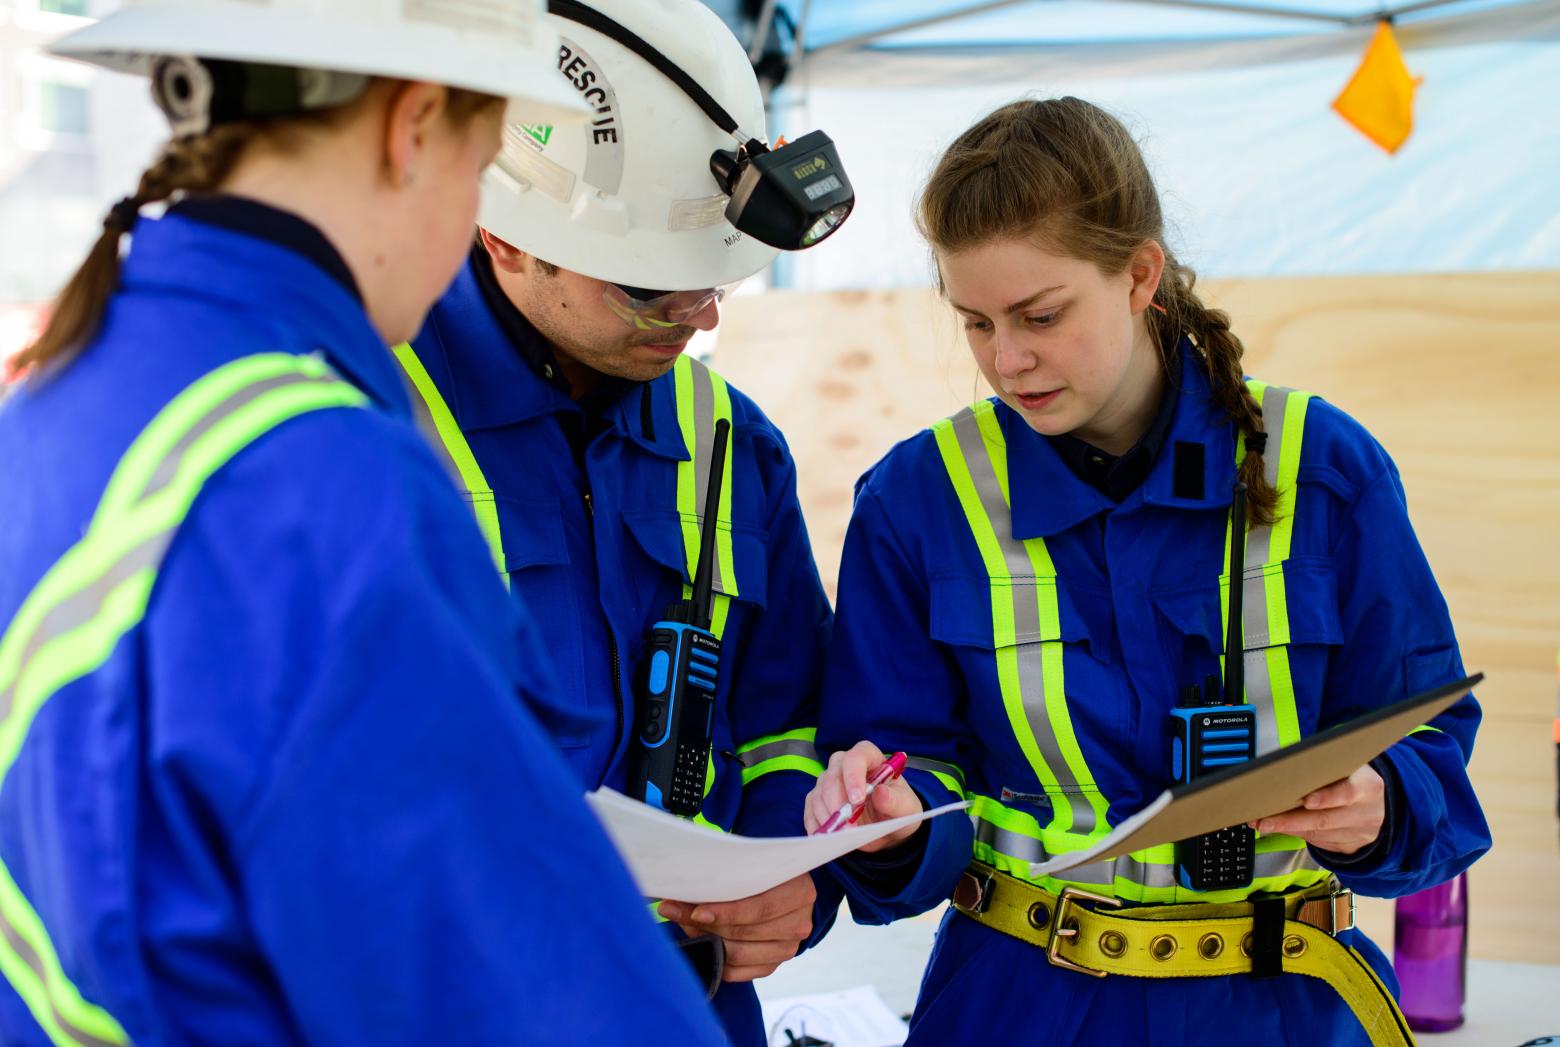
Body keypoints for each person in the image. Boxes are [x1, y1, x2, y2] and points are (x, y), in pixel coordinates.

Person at [0, 1, 728, 1043]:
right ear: (415, 125)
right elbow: (520, 987)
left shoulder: (64, 397)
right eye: (482, 165)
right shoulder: (324, 484)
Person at [801, 97, 1491, 1046]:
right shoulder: (917, 503)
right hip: (1018, 1006)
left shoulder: (1325, 469)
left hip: (1282, 1006)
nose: (1007, 359)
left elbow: (1433, 746)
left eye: (1041, 314)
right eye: (975, 323)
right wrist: (891, 819)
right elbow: (904, 770)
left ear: (1139, 273)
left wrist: (1380, 804)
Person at [393, 0, 843, 1040]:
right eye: (652, 289)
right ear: (506, 239)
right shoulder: (373, 423)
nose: (700, 319)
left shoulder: (734, 444)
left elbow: (786, 725)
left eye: (716, 279)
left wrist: (783, 884)